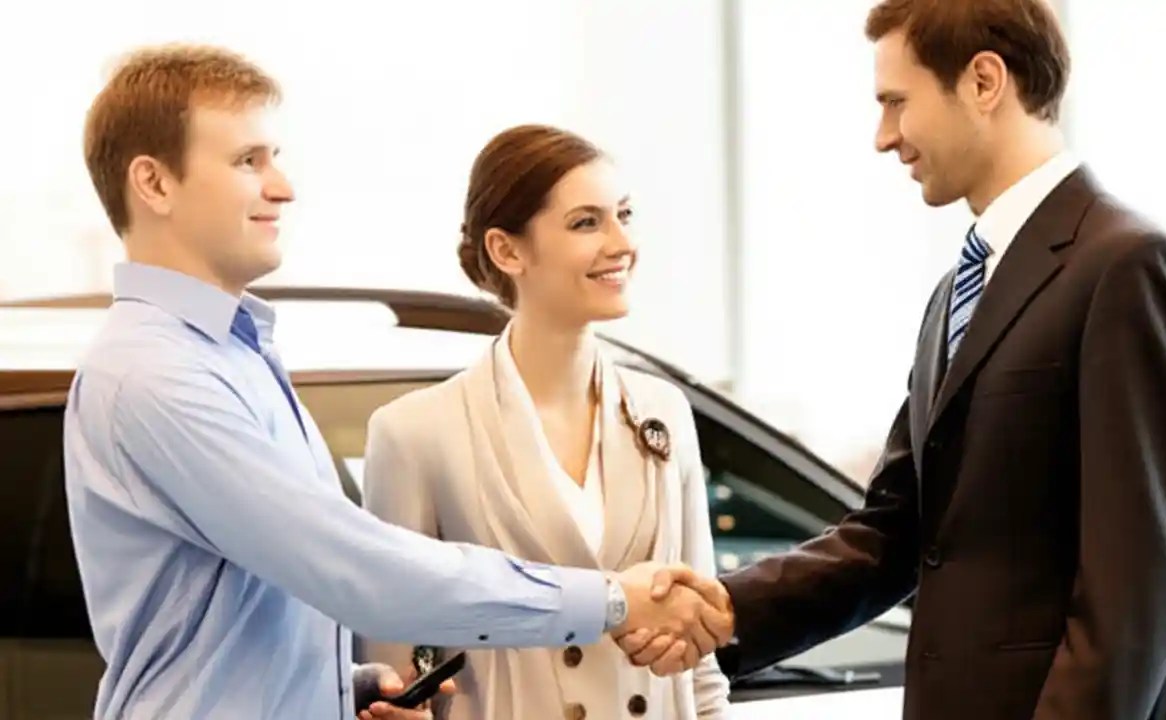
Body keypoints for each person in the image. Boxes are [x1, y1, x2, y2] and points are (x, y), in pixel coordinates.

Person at [64, 44, 730, 720]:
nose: (282, 186)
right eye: (247, 161)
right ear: (154, 184)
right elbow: (353, 568)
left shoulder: (231, 355)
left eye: (276, 158)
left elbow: (262, 603)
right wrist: (610, 599)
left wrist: (340, 685)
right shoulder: (156, 376)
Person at [626, 0, 1166, 717]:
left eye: (896, 103)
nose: (885, 138)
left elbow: (1139, 584)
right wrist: (726, 607)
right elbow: (898, 531)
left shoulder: (1127, 266)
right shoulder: (959, 290)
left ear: (984, 81)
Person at [353, 124, 731, 720]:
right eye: (587, 223)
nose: (621, 242)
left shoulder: (663, 412)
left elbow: (700, 657)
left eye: (624, 215)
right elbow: (399, 675)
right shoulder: (416, 432)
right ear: (507, 251)